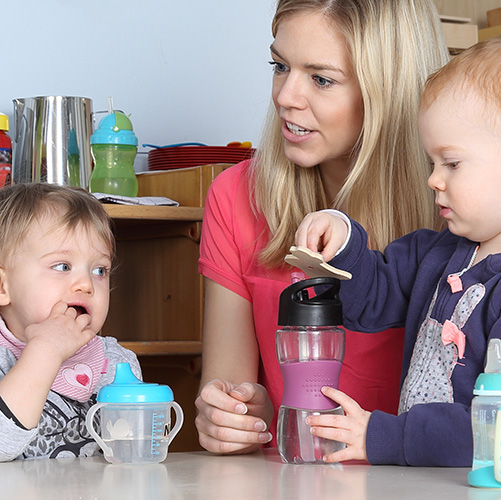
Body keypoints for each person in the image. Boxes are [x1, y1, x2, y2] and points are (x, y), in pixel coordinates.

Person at [294, 34, 501, 466]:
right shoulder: (439, 251)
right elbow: (371, 300)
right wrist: (342, 241)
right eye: (432, 162)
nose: (434, 179)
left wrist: (387, 437)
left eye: (451, 163)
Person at [195, 0, 449, 454]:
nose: (285, 96)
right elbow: (230, 396)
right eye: (279, 66)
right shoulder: (234, 196)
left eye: (321, 79)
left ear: (387, 91)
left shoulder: (458, 208)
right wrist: (230, 419)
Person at [0, 183, 141, 462]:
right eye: (62, 266)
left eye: (99, 270)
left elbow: (134, 456)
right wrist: (45, 350)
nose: (86, 284)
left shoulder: (117, 361)